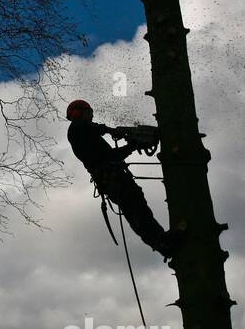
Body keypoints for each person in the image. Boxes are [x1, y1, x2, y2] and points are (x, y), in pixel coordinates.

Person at [65, 99, 175, 259]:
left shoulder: (90, 138)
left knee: (137, 205)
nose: (91, 117)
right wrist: (110, 130)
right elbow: (91, 128)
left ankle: (161, 240)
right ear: (79, 113)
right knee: (134, 208)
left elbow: (113, 156)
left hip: (114, 176)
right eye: (89, 113)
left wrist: (133, 145)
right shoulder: (76, 129)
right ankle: (160, 241)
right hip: (110, 178)